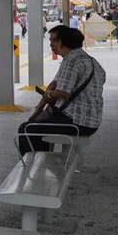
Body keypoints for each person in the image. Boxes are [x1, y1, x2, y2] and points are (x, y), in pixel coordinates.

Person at [17, 26, 105, 155]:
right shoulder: (92, 62)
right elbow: (55, 84)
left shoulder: (71, 60)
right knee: (39, 124)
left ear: (61, 42)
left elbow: (63, 93)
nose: (51, 44)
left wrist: (49, 95)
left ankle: (31, 165)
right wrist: (40, 107)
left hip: (77, 122)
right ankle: (41, 160)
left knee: (27, 128)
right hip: (92, 121)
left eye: (54, 40)